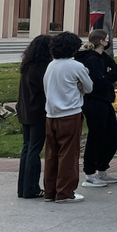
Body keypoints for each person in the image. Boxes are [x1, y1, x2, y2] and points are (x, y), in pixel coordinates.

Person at [43, 32, 93, 203]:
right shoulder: (76, 66)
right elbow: (88, 87)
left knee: (52, 153)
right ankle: (65, 192)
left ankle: (50, 191)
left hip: (51, 114)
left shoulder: (51, 65)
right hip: (70, 113)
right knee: (69, 154)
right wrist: (79, 86)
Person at [75, 30, 117, 187]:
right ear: (101, 41)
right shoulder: (91, 59)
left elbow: (116, 71)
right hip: (94, 102)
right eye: (107, 38)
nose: (109, 40)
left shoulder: (104, 57)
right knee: (96, 137)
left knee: (112, 136)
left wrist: (106, 76)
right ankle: (90, 172)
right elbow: (97, 81)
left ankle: (102, 168)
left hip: (105, 101)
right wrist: (106, 78)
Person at [17, 35, 52, 199]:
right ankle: (31, 187)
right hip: (38, 112)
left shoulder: (27, 66)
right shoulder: (43, 68)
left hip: (25, 111)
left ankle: (23, 187)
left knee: (27, 148)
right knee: (34, 150)